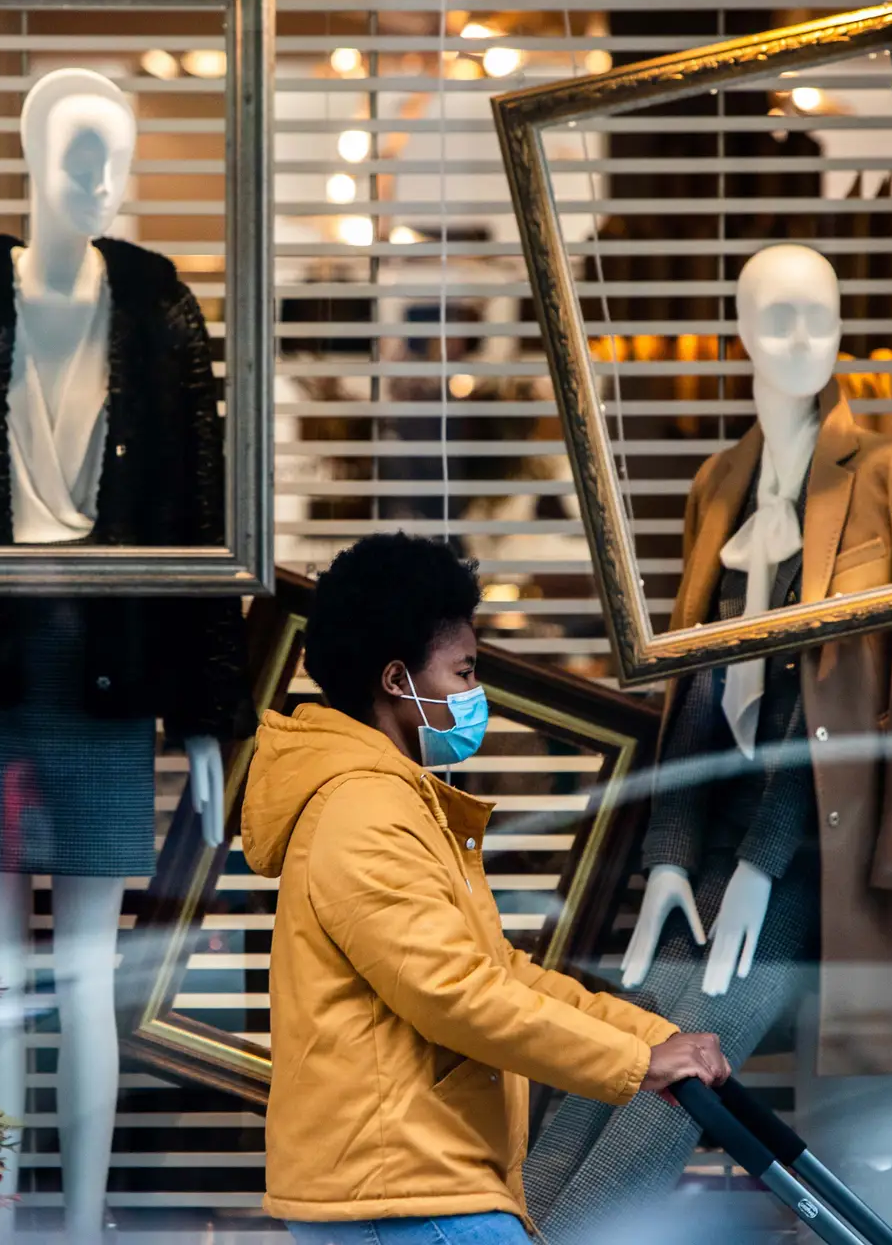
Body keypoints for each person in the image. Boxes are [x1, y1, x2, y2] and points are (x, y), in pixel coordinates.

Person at [242, 533, 732, 1245]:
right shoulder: (365, 811)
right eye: (464, 671)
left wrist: (653, 1037)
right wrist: (638, 1063)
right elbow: (454, 995)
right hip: (408, 1192)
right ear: (395, 681)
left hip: (416, 1180)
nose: (476, 695)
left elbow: (497, 972)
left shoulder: (394, 800)